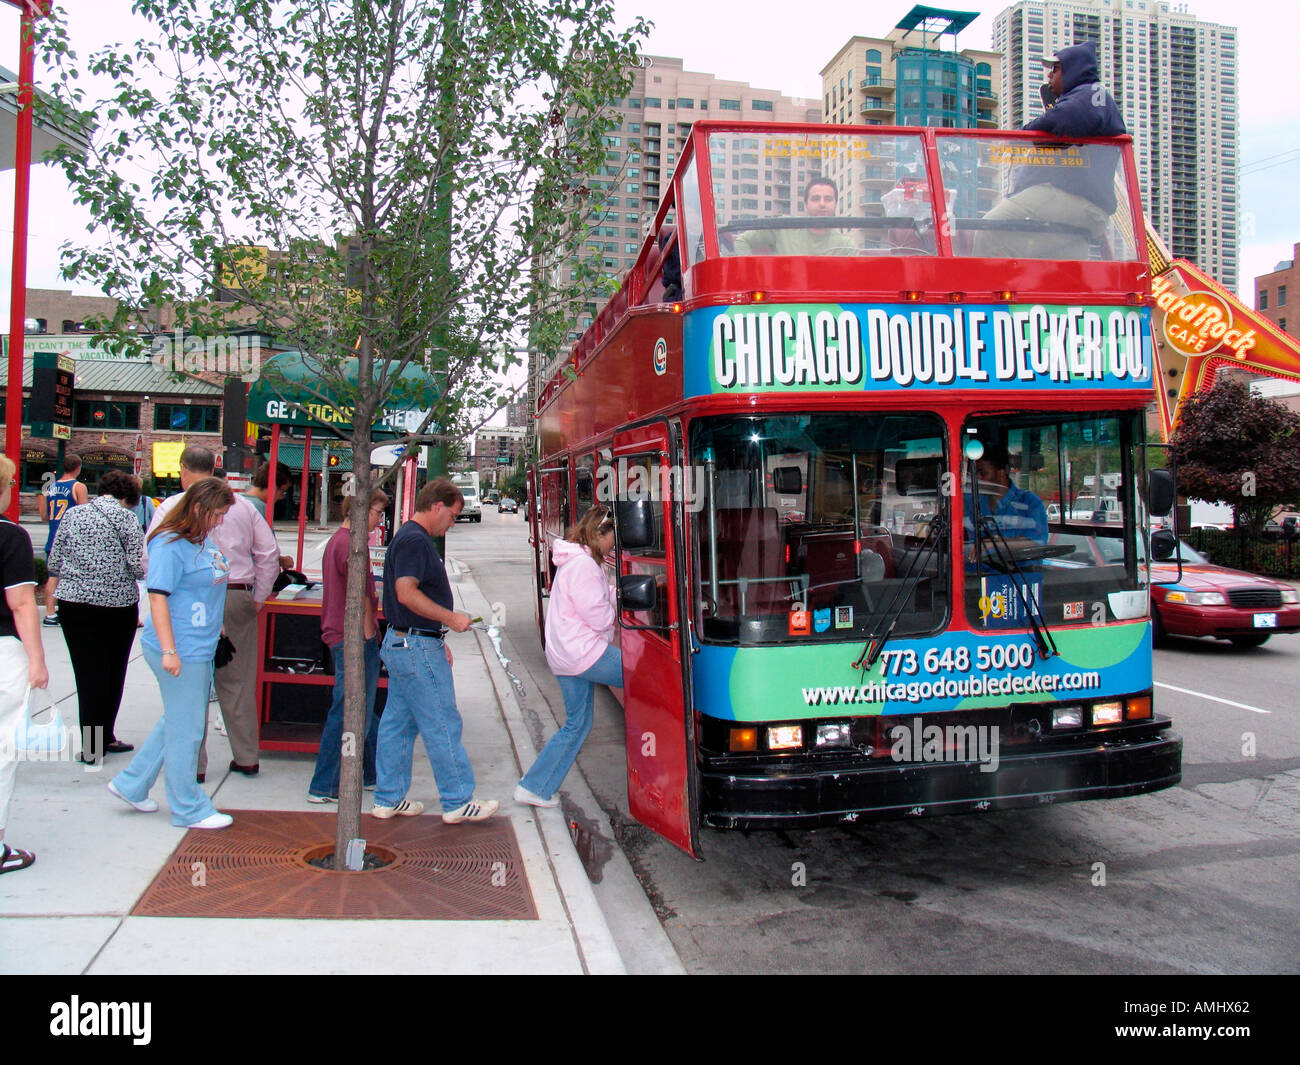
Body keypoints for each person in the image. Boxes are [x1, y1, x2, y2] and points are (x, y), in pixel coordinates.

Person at [108, 477, 236, 829]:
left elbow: (203, 587)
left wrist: (216, 625)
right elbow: (158, 597)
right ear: (198, 508)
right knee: (189, 728)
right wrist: (169, 650)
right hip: (181, 649)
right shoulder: (168, 543)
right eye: (218, 514)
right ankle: (187, 807)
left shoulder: (201, 540)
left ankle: (131, 784)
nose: (221, 521)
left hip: (198, 645)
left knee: (178, 720)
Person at [146, 446, 280, 781]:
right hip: (235, 595)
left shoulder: (171, 507)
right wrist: (258, 597)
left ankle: (196, 764)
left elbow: (151, 561)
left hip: (187, 601)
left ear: (183, 469)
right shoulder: (244, 507)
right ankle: (247, 755)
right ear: (214, 466)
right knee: (237, 681)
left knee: (192, 687)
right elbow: (268, 552)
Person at [373, 478, 498, 824]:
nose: (453, 523)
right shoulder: (416, 540)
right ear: (437, 506)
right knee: (442, 721)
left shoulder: (408, 536)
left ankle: (388, 797)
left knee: (399, 722)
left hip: (406, 642)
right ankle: (457, 800)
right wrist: (450, 619)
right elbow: (406, 593)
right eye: (454, 515)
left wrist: (435, 638)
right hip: (415, 645)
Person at [975, 41, 1126, 260]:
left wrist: (1023, 136)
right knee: (1059, 269)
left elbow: (1066, 116)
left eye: (1055, 69)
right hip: (1076, 209)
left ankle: (979, 293)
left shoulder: (1092, 94)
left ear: (1074, 70)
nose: (1049, 76)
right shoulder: (1084, 98)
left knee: (988, 230)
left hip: (1071, 200)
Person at [515, 505, 621, 808]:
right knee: (644, 677)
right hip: (585, 654)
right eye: (612, 537)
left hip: (566, 656)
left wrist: (617, 593)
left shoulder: (577, 561)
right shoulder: (585, 566)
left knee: (576, 724)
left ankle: (533, 787)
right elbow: (599, 617)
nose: (614, 544)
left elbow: (599, 594)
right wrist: (615, 608)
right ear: (600, 533)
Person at [46, 470, 145, 764]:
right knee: (114, 672)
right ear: (128, 497)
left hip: (75, 603)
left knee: (87, 673)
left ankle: (91, 744)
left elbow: (54, 562)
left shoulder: (73, 516)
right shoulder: (127, 519)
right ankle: (106, 736)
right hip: (118, 605)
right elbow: (138, 567)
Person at [306, 488, 388, 803]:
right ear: (361, 511)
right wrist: (369, 637)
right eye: (377, 513)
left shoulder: (337, 543)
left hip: (341, 634)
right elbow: (362, 596)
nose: (380, 520)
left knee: (362, 709)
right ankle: (324, 784)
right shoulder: (353, 546)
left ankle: (371, 773)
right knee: (348, 711)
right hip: (352, 638)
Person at [0, 454, 50, 874]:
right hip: (2, 653)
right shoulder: (11, 538)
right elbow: (20, 604)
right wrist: (37, 660)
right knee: (1, 749)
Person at [732, 177, 858, 257]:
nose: (822, 204)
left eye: (828, 199)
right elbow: (742, 242)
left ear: (836, 203)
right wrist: (752, 276)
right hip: (783, 298)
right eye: (815, 199)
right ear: (805, 204)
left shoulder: (846, 247)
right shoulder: (782, 227)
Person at [964, 443, 1049, 559]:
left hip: (1018, 575)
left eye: (983, 473)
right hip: (978, 573)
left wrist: (995, 543)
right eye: (974, 474)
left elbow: (1037, 542)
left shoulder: (1028, 503)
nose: (977, 478)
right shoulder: (972, 503)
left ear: (1001, 474)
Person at [38, 452, 88, 626]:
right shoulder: (78, 487)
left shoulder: (49, 487)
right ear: (78, 468)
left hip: (52, 538)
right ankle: (53, 614)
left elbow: (44, 515)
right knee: (72, 577)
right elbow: (84, 515)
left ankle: (51, 612)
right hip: (70, 539)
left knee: (53, 576)